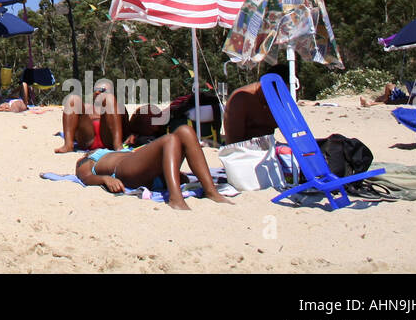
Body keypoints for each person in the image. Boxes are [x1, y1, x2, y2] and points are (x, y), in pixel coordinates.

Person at [74, 124, 233, 212]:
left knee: (185, 130)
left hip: (141, 168)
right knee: (169, 140)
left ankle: (211, 191)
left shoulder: (115, 151)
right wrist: (104, 178)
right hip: (122, 170)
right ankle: (175, 198)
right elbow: (85, 177)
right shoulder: (88, 159)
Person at [222, 64, 289, 144]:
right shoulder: (240, 100)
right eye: (283, 94)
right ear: (268, 87)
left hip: (269, 150)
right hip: (243, 152)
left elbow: (292, 134)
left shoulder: (281, 101)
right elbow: (233, 143)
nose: (285, 98)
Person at [55, 83, 128, 153]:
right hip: (87, 139)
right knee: (73, 99)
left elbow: (127, 128)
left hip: (108, 139)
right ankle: (68, 145)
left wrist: (130, 136)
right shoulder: (86, 107)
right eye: (95, 89)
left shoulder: (119, 108)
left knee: (109, 99)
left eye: (102, 90)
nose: (97, 92)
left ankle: (118, 146)